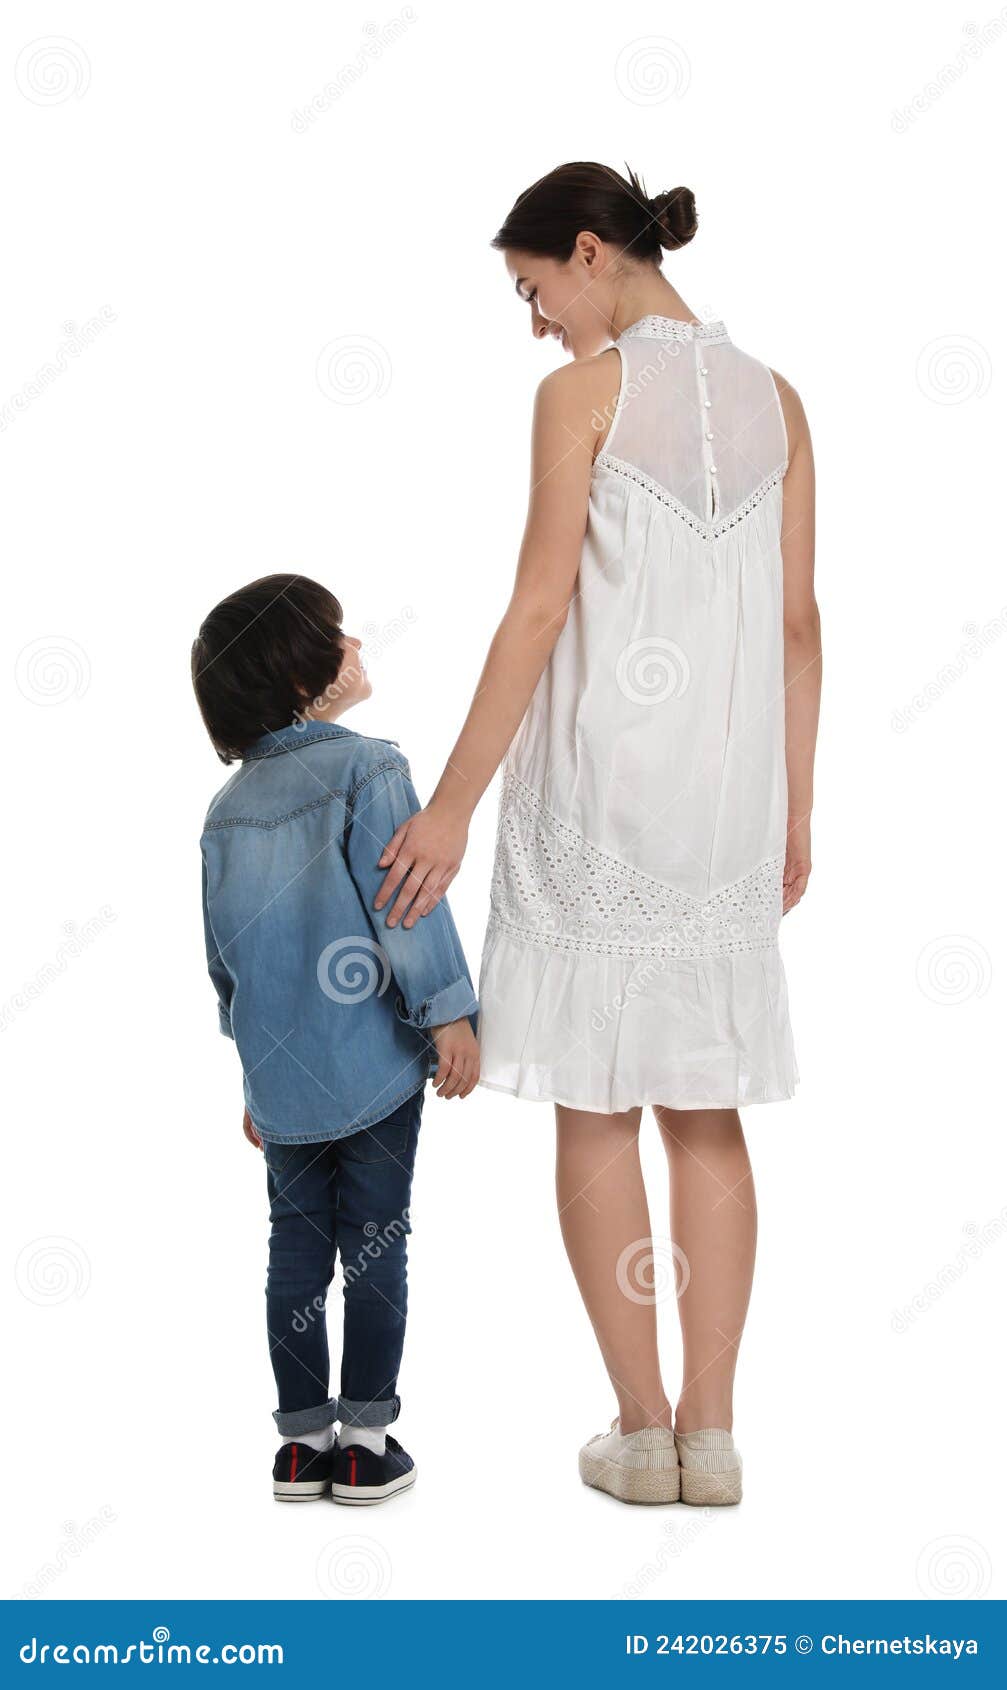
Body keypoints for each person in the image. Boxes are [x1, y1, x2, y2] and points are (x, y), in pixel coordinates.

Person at [372, 164, 821, 1505]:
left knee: (592, 1097)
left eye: (531, 290)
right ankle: (714, 1431)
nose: (532, 323)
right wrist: (795, 804)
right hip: (727, 808)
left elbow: (534, 609)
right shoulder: (782, 403)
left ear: (585, 253)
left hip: (597, 786)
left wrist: (448, 802)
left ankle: (638, 1427)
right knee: (702, 1105)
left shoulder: (581, 395)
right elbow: (799, 627)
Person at [192, 573, 479, 1504]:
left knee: (293, 1254)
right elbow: (407, 903)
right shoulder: (368, 769)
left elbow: (230, 961)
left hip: (281, 1082)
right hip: (372, 1070)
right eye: (338, 635)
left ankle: (298, 1445)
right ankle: (363, 1443)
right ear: (300, 672)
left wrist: (252, 1079)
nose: (356, 646)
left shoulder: (225, 813)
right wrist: (447, 1011)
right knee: (376, 1248)